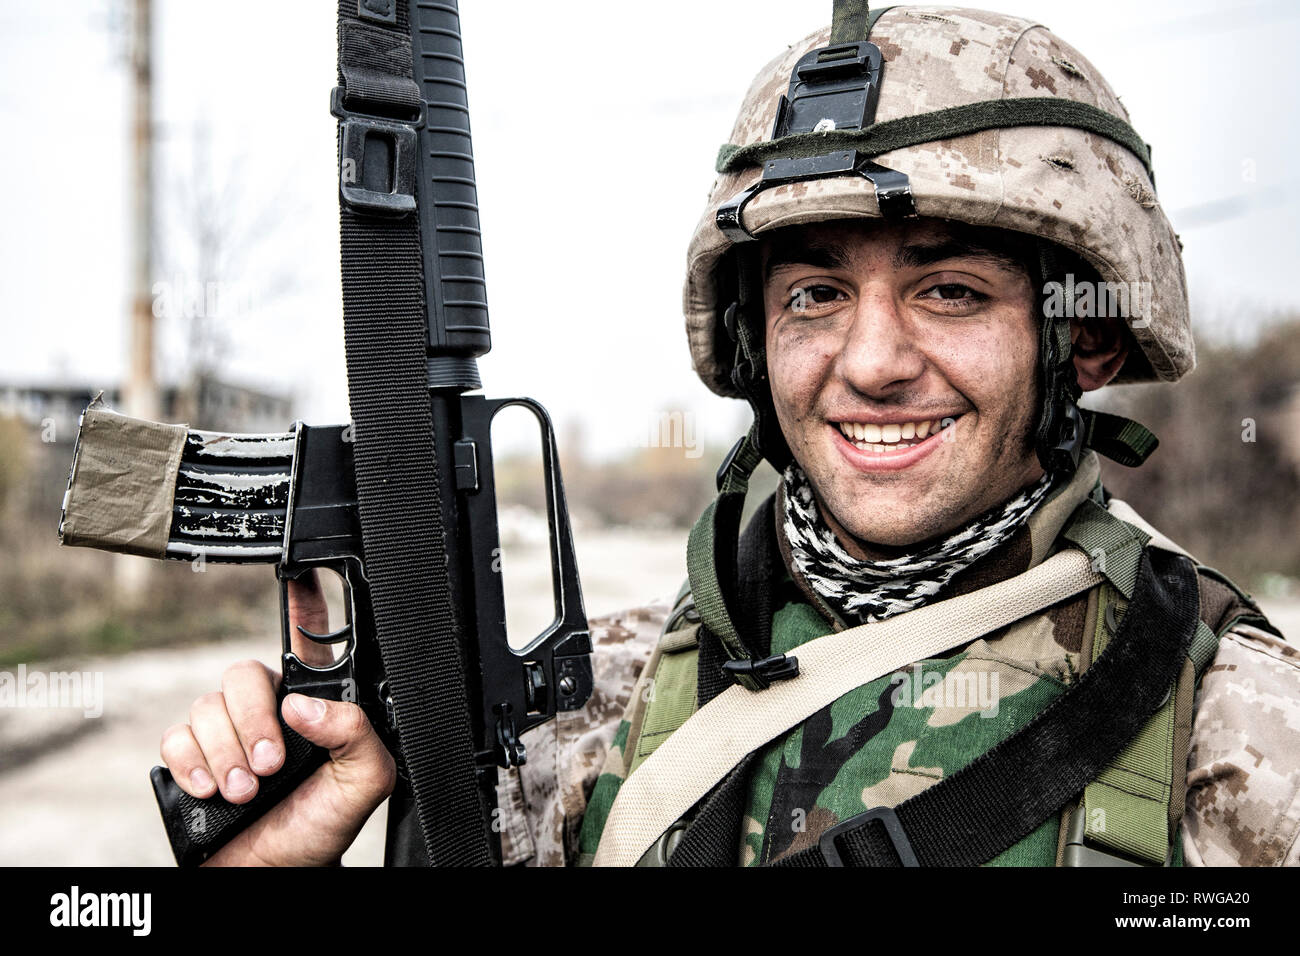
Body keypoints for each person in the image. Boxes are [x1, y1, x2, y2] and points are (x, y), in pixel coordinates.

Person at [158, 4, 1299, 867]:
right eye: (813, 296)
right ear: (754, 345)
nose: (869, 362)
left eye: (950, 290)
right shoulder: (583, 712)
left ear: (1082, 344)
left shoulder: (1239, 725)